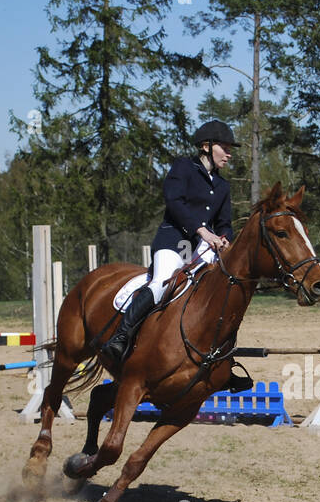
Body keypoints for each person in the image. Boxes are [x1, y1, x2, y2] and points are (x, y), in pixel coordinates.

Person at [100, 120, 237, 366]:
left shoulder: (223, 186)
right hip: (173, 241)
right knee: (160, 284)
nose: (229, 153)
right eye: (224, 147)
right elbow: (175, 203)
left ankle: (223, 360)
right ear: (206, 146)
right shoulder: (183, 167)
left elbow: (224, 222)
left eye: (230, 148)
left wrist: (225, 238)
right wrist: (202, 231)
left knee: (223, 291)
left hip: (202, 249)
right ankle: (121, 337)